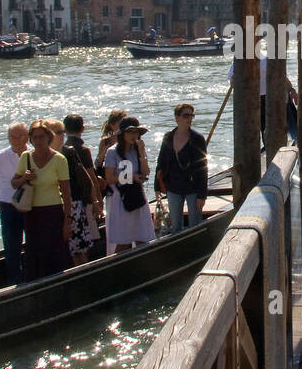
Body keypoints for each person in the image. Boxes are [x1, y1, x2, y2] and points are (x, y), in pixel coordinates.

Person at [12, 120, 73, 279]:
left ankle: (59, 282)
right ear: (30, 139)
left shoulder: (59, 159)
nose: (38, 141)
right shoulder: (26, 157)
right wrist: (24, 178)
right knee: (34, 250)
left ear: (49, 137)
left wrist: (67, 221)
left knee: (56, 251)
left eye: (42, 137)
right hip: (32, 212)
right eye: (35, 137)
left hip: (53, 212)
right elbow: (14, 183)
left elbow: (66, 193)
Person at [103, 116, 156, 252]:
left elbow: (145, 173)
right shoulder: (112, 152)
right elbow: (109, 178)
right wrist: (130, 176)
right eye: (130, 132)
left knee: (143, 238)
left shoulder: (137, 149)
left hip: (138, 197)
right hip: (121, 199)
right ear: (122, 134)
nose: (134, 135)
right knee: (123, 241)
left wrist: (142, 153)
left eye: (136, 132)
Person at [155, 102, 209, 232]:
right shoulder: (168, 137)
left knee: (195, 224)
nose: (189, 119)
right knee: (175, 226)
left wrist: (202, 195)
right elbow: (161, 162)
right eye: (186, 116)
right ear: (177, 117)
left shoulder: (197, 139)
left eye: (191, 116)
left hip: (193, 188)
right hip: (173, 186)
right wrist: (157, 187)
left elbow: (203, 168)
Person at [0, 123, 29, 284]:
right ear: (8, 137)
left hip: (31, 204)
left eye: (20, 136)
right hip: (9, 206)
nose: (17, 140)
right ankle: (14, 281)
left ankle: (32, 276)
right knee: (12, 246)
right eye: (13, 136)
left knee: (33, 244)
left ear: (27, 137)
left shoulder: (34, 154)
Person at [63, 114, 103, 261]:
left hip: (70, 201)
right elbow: (91, 177)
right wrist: (98, 200)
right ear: (83, 129)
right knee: (86, 240)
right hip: (83, 200)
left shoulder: (62, 149)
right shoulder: (82, 150)